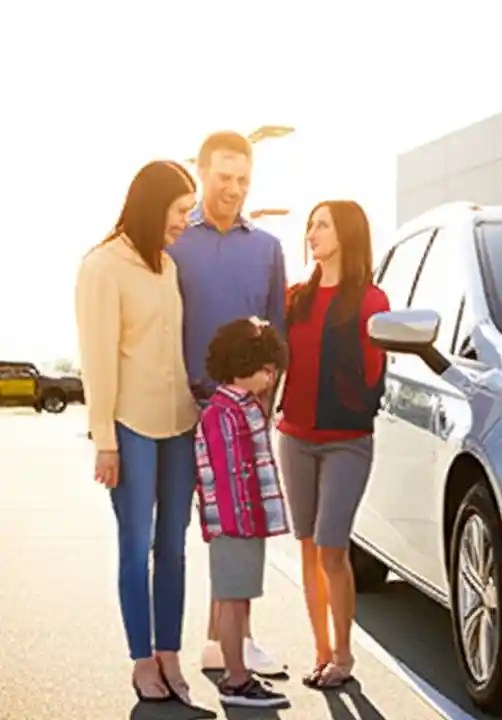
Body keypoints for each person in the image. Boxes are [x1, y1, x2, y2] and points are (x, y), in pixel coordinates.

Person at [74, 160, 200, 704]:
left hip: (178, 423)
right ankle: (141, 658)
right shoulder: (102, 266)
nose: (185, 222)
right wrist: (104, 438)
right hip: (129, 427)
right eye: (179, 211)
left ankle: (170, 651)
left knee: (173, 546)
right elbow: (97, 360)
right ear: (154, 205)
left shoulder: (166, 267)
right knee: (136, 545)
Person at [167, 130, 289, 677]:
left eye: (243, 180)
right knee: (173, 533)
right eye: (223, 178)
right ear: (200, 173)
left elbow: (277, 337)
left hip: (240, 416)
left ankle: (229, 643)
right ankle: (165, 648)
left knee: (238, 531)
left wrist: (265, 405)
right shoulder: (172, 243)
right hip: (177, 407)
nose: (234, 189)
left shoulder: (266, 248)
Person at [277, 200, 389, 689]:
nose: (312, 231)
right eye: (310, 224)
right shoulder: (294, 297)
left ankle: (344, 656)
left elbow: (375, 374)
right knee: (306, 546)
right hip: (295, 438)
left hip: (346, 442)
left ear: (346, 232)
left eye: (322, 224)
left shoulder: (370, 300)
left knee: (330, 546)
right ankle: (321, 652)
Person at [195, 317, 291, 708]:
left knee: (241, 598)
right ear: (243, 364)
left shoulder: (245, 407)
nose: (271, 377)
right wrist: (243, 524)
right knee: (233, 599)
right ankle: (236, 679)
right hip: (235, 525)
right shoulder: (223, 414)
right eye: (266, 369)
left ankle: (239, 673)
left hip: (247, 524)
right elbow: (230, 475)